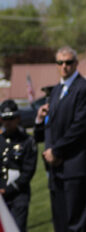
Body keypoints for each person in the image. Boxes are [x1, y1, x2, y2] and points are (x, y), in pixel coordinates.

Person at [34, 45, 86, 232]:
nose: (64, 66)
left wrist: (57, 151)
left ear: (76, 64)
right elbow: (51, 127)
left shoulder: (84, 89)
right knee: (60, 225)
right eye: (60, 62)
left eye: (69, 62)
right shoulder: (55, 91)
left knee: (77, 225)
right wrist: (39, 119)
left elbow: (79, 128)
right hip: (56, 170)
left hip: (77, 168)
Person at [0, 99, 37, 231]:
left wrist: (7, 190)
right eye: (4, 119)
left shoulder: (27, 141)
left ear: (18, 118)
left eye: (11, 118)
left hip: (18, 196)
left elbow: (28, 171)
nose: (8, 122)